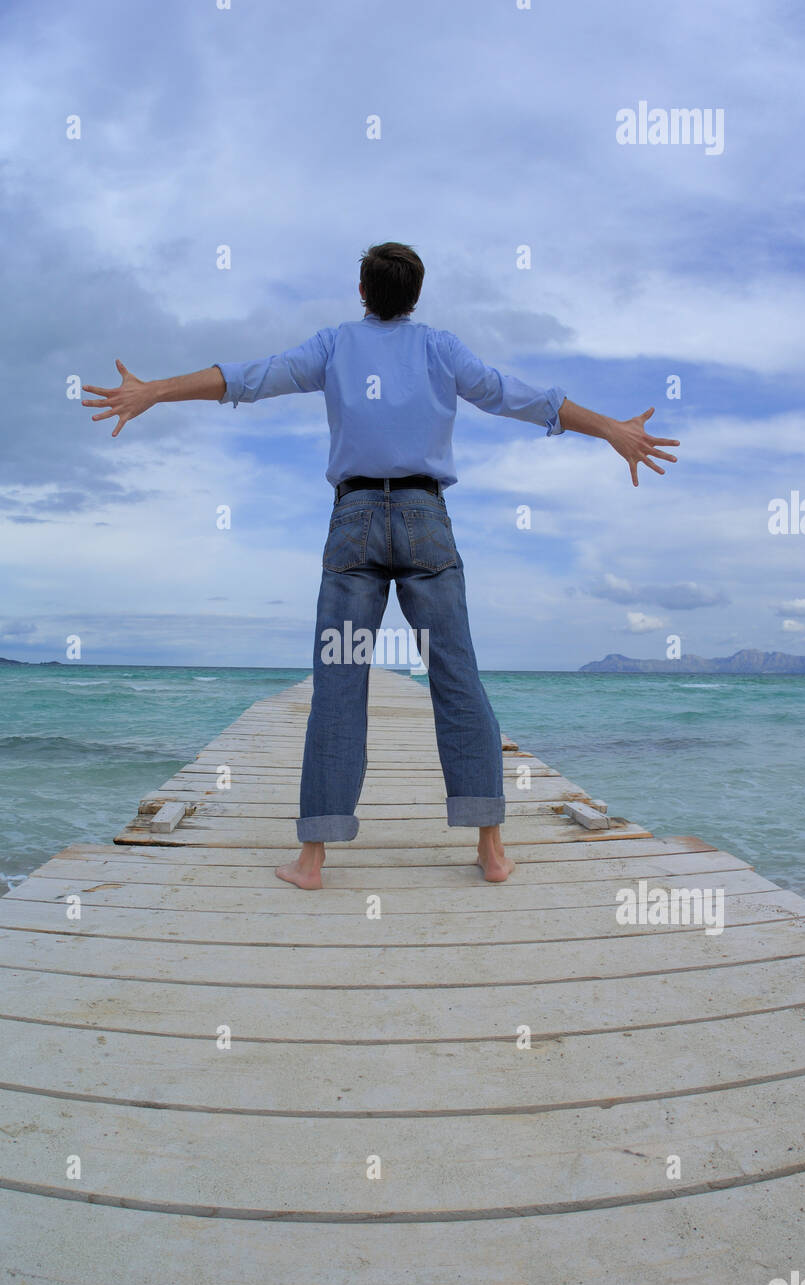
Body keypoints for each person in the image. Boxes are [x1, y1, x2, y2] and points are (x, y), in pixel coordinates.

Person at [83, 242, 679, 889]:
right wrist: (610, 429)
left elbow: (246, 379)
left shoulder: (336, 345)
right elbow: (522, 398)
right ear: (414, 296)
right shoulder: (439, 349)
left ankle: (312, 859)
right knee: (456, 679)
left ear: (362, 293)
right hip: (425, 522)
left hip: (355, 523)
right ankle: (491, 848)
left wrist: (153, 391)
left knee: (339, 685)